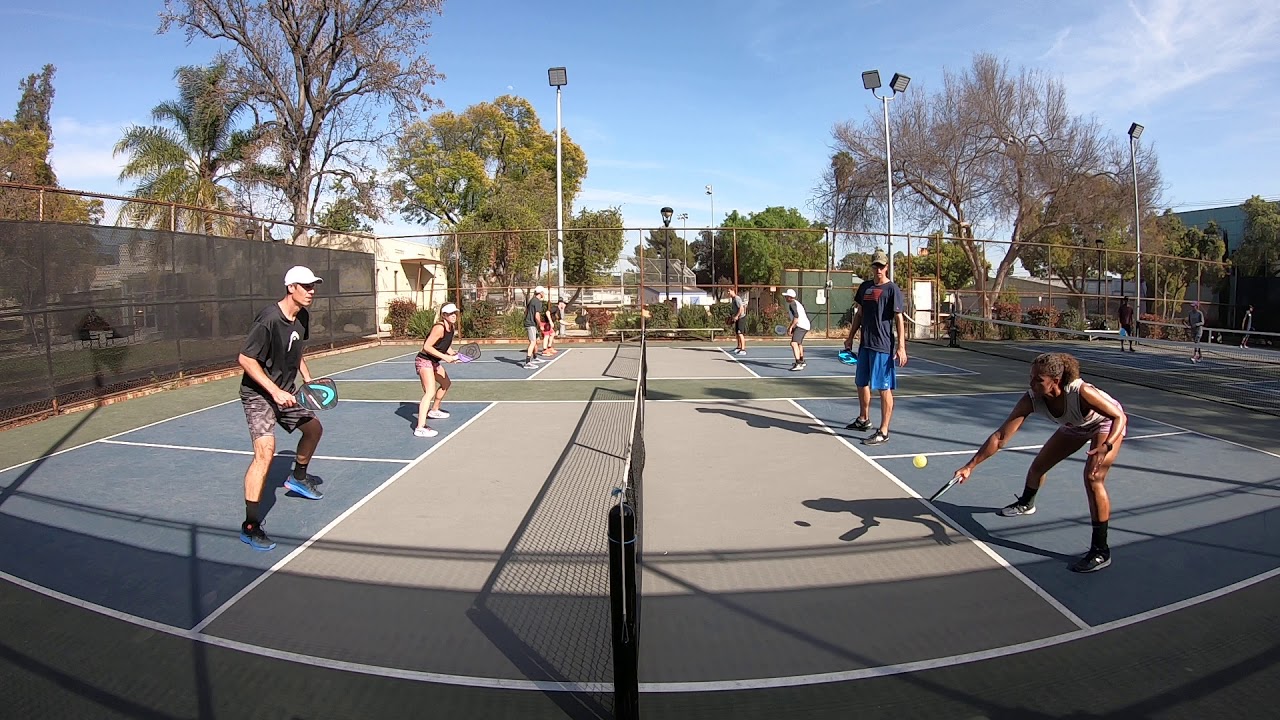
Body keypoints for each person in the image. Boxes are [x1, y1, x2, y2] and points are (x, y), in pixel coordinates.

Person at [952, 352, 1128, 573]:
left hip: (1105, 425)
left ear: (1056, 381)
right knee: (1038, 466)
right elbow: (1000, 437)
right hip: (1075, 426)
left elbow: (1119, 417)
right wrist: (970, 466)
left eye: (1039, 379)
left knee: (1093, 477)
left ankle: (1101, 551)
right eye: (1031, 377)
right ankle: (1027, 503)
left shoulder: (1081, 392)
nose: (1032, 383)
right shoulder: (1031, 399)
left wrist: (1108, 444)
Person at [236, 266, 327, 551]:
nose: (311, 291)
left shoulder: (302, 317)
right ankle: (250, 527)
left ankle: (298, 478)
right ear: (291, 288)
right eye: (306, 286)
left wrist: (309, 380)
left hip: (285, 393)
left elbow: (296, 351)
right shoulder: (269, 319)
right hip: (259, 395)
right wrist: (274, 391)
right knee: (265, 453)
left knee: (314, 429)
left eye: (313, 286)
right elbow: (245, 359)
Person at [843, 249, 907, 445]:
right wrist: (850, 337)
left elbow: (899, 319)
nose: (878, 269)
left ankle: (884, 431)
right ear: (872, 267)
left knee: (883, 388)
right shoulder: (865, 288)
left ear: (886, 267)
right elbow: (859, 314)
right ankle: (863, 419)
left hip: (883, 346)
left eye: (882, 266)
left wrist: (901, 347)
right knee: (861, 383)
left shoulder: (892, 290)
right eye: (875, 265)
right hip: (865, 345)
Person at [413, 303, 461, 438]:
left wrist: (452, 354)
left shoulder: (451, 327)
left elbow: (444, 345)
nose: (453, 316)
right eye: (450, 313)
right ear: (443, 315)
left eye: (455, 313)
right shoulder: (439, 328)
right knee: (430, 392)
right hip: (424, 360)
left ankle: (434, 410)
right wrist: (445, 358)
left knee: (446, 384)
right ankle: (420, 427)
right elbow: (427, 346)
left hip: (434, 361)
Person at [523, 286, 550, 369]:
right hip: (530, 324)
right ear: (540, 293)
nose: (544, 294)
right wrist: (540, 324)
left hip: (532, 324)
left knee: (537, 341)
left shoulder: (532, 300)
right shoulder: (537, 301)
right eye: (543, 292)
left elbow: (526, 311)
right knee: (533, 342)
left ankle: (535, 357)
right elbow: (537, 315)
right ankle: (527, 362)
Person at [782, 289, 810, 370]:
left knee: (793, 343)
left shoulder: (792, 304)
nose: (785, 298)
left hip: (801, 325)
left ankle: (798, 364)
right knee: (798, 343)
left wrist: (790, 328)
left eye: (786, 296)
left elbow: (796, 318)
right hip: (803, 325)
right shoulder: (797, 303)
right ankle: (801, 361)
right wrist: (794, 327)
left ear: (790, 297)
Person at [727, 287, 748, 354]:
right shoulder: (733, 299)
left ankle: (743, 349)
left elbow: (741, 308)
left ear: (733, 291)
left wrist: (736, 316)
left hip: (741, 318)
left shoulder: (737, 298)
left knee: (740, 333)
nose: (728, 293)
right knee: (737, 334)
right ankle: (738, 347)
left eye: (729, 291)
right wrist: (733, 316)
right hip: (737, 318)